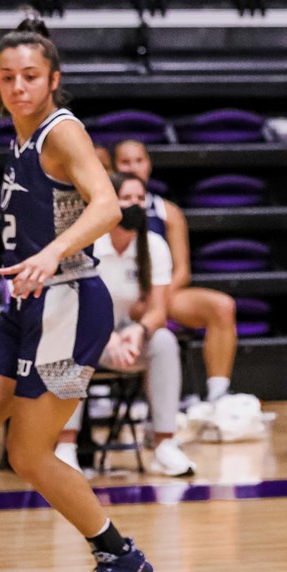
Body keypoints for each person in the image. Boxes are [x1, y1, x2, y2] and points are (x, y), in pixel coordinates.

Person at [0, 12, 153, 572]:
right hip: (26, 309)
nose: (17, 87)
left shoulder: (63, 132)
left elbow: (109, 205)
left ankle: (120, 554)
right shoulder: (18, 133)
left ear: (52, 79)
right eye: (8, 76)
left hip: (71, 305)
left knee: (29, 455)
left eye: (30, 76)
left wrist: (52, 252)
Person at [55, 172, 196, 477]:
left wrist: (138, 331)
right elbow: (71, 306)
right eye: (126, 198)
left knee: (164, 341)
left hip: (129, 341)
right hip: (88, 336)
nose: (135, 205)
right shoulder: (88, 242)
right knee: (72, 344)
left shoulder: (154, 245)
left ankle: (164, 445)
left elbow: (159, 310)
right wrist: (104, 337)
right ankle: (66, 447)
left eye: (140, 199)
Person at [111, 139, 239, 403]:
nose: (134, 167)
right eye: (126, 162)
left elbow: (182, 270)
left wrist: (155, 300)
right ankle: (112, 394)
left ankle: (217, 394)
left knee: (222, 306)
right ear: (114, 167)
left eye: (139, 160)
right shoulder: (107, 208)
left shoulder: (168, 211)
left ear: (149, 164)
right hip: (118, 293)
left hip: (162, 291)